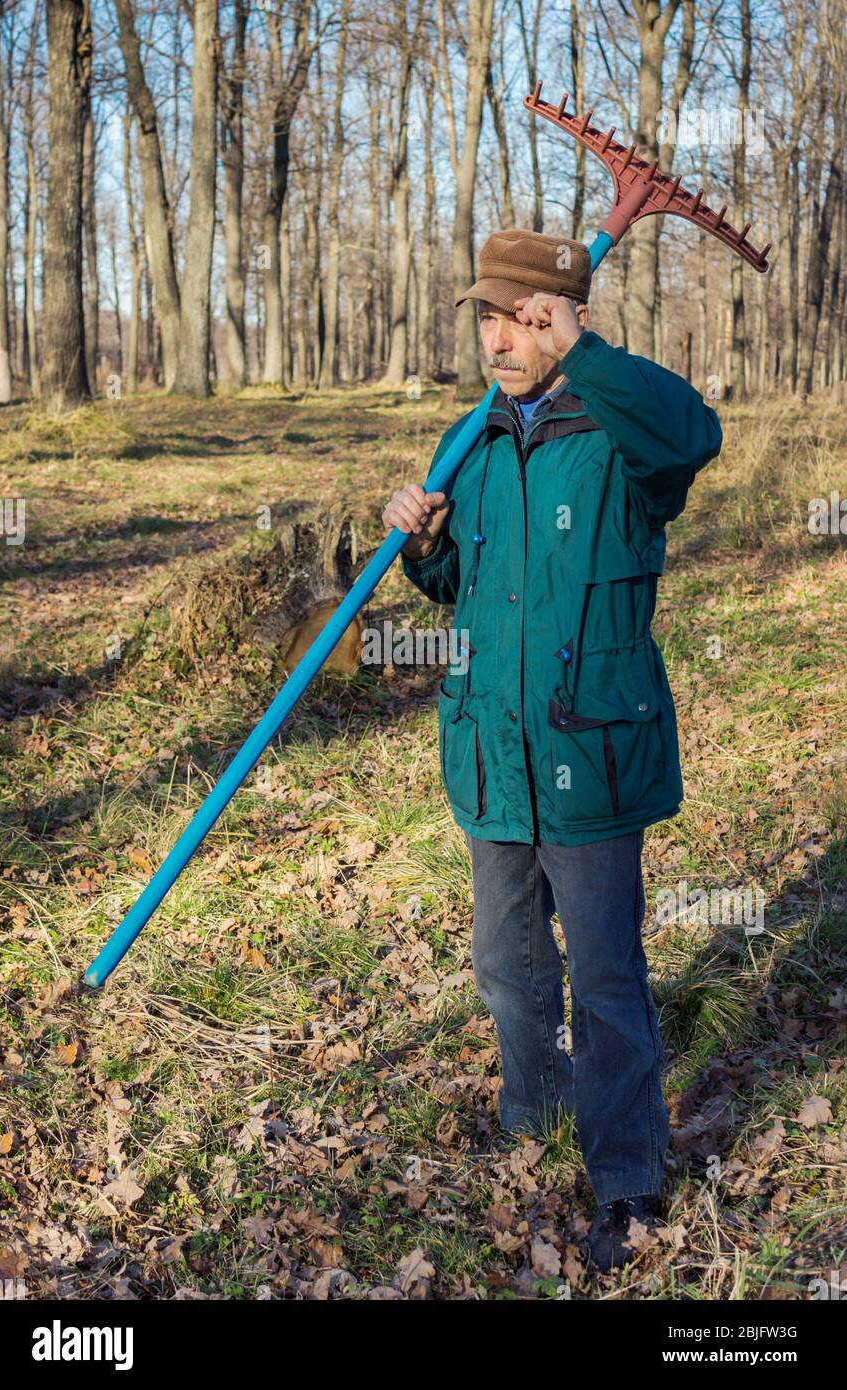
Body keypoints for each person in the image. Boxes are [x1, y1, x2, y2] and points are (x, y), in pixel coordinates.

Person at [382, 227, 723, 1273]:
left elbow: (693, 433)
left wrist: (585, 352)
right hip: (492, 749)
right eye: (488, 316)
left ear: (564, 321)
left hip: (591, 752)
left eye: (523, 317)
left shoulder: (620, 441)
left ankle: (626, 1171)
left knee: (608, 977)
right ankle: (532, 1117)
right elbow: (459, 596)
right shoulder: (471, 443)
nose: (500, 336)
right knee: (504, 962)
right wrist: (423, 545)